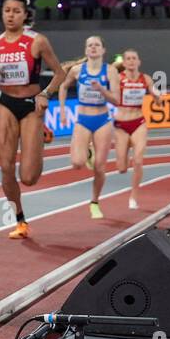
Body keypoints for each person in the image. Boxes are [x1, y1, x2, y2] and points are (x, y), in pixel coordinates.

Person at [0, 0, 67, 239]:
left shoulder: (37, 41)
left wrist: (45, 93)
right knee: (6, 167)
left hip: (30, 106)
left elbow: (59, 73)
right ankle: (20, 221)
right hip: (5, 103)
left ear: (25, 15)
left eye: (16, 11)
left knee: (29, 178)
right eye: (6, 10)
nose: (10, 15)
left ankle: (38, 140)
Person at [58, 35, 120, 219]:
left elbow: (116, 100)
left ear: (103, 50)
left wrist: (101, 89)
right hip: (83, 120)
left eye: (97, 45)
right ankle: (88, 153)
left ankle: (94, 202)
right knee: (77, 163)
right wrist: (62, 111)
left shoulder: (110, 72)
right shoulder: (77, 70)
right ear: (86, 51)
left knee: (100, 168)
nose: (93, 48)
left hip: (102, 120)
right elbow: (62, 87)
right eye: (90, 45)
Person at [113, 49, 164, 210]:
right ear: (124, 62)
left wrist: (157, 97)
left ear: (139, 62)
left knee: (139, 161)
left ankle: (133, 197)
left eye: (134, 58)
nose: (131, 61)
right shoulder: (118, 78)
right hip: (120, 125)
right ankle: (124, 150)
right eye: (128, 58)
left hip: (138, 122)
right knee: (121, 168)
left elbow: (158, 101)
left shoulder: (146, 78)